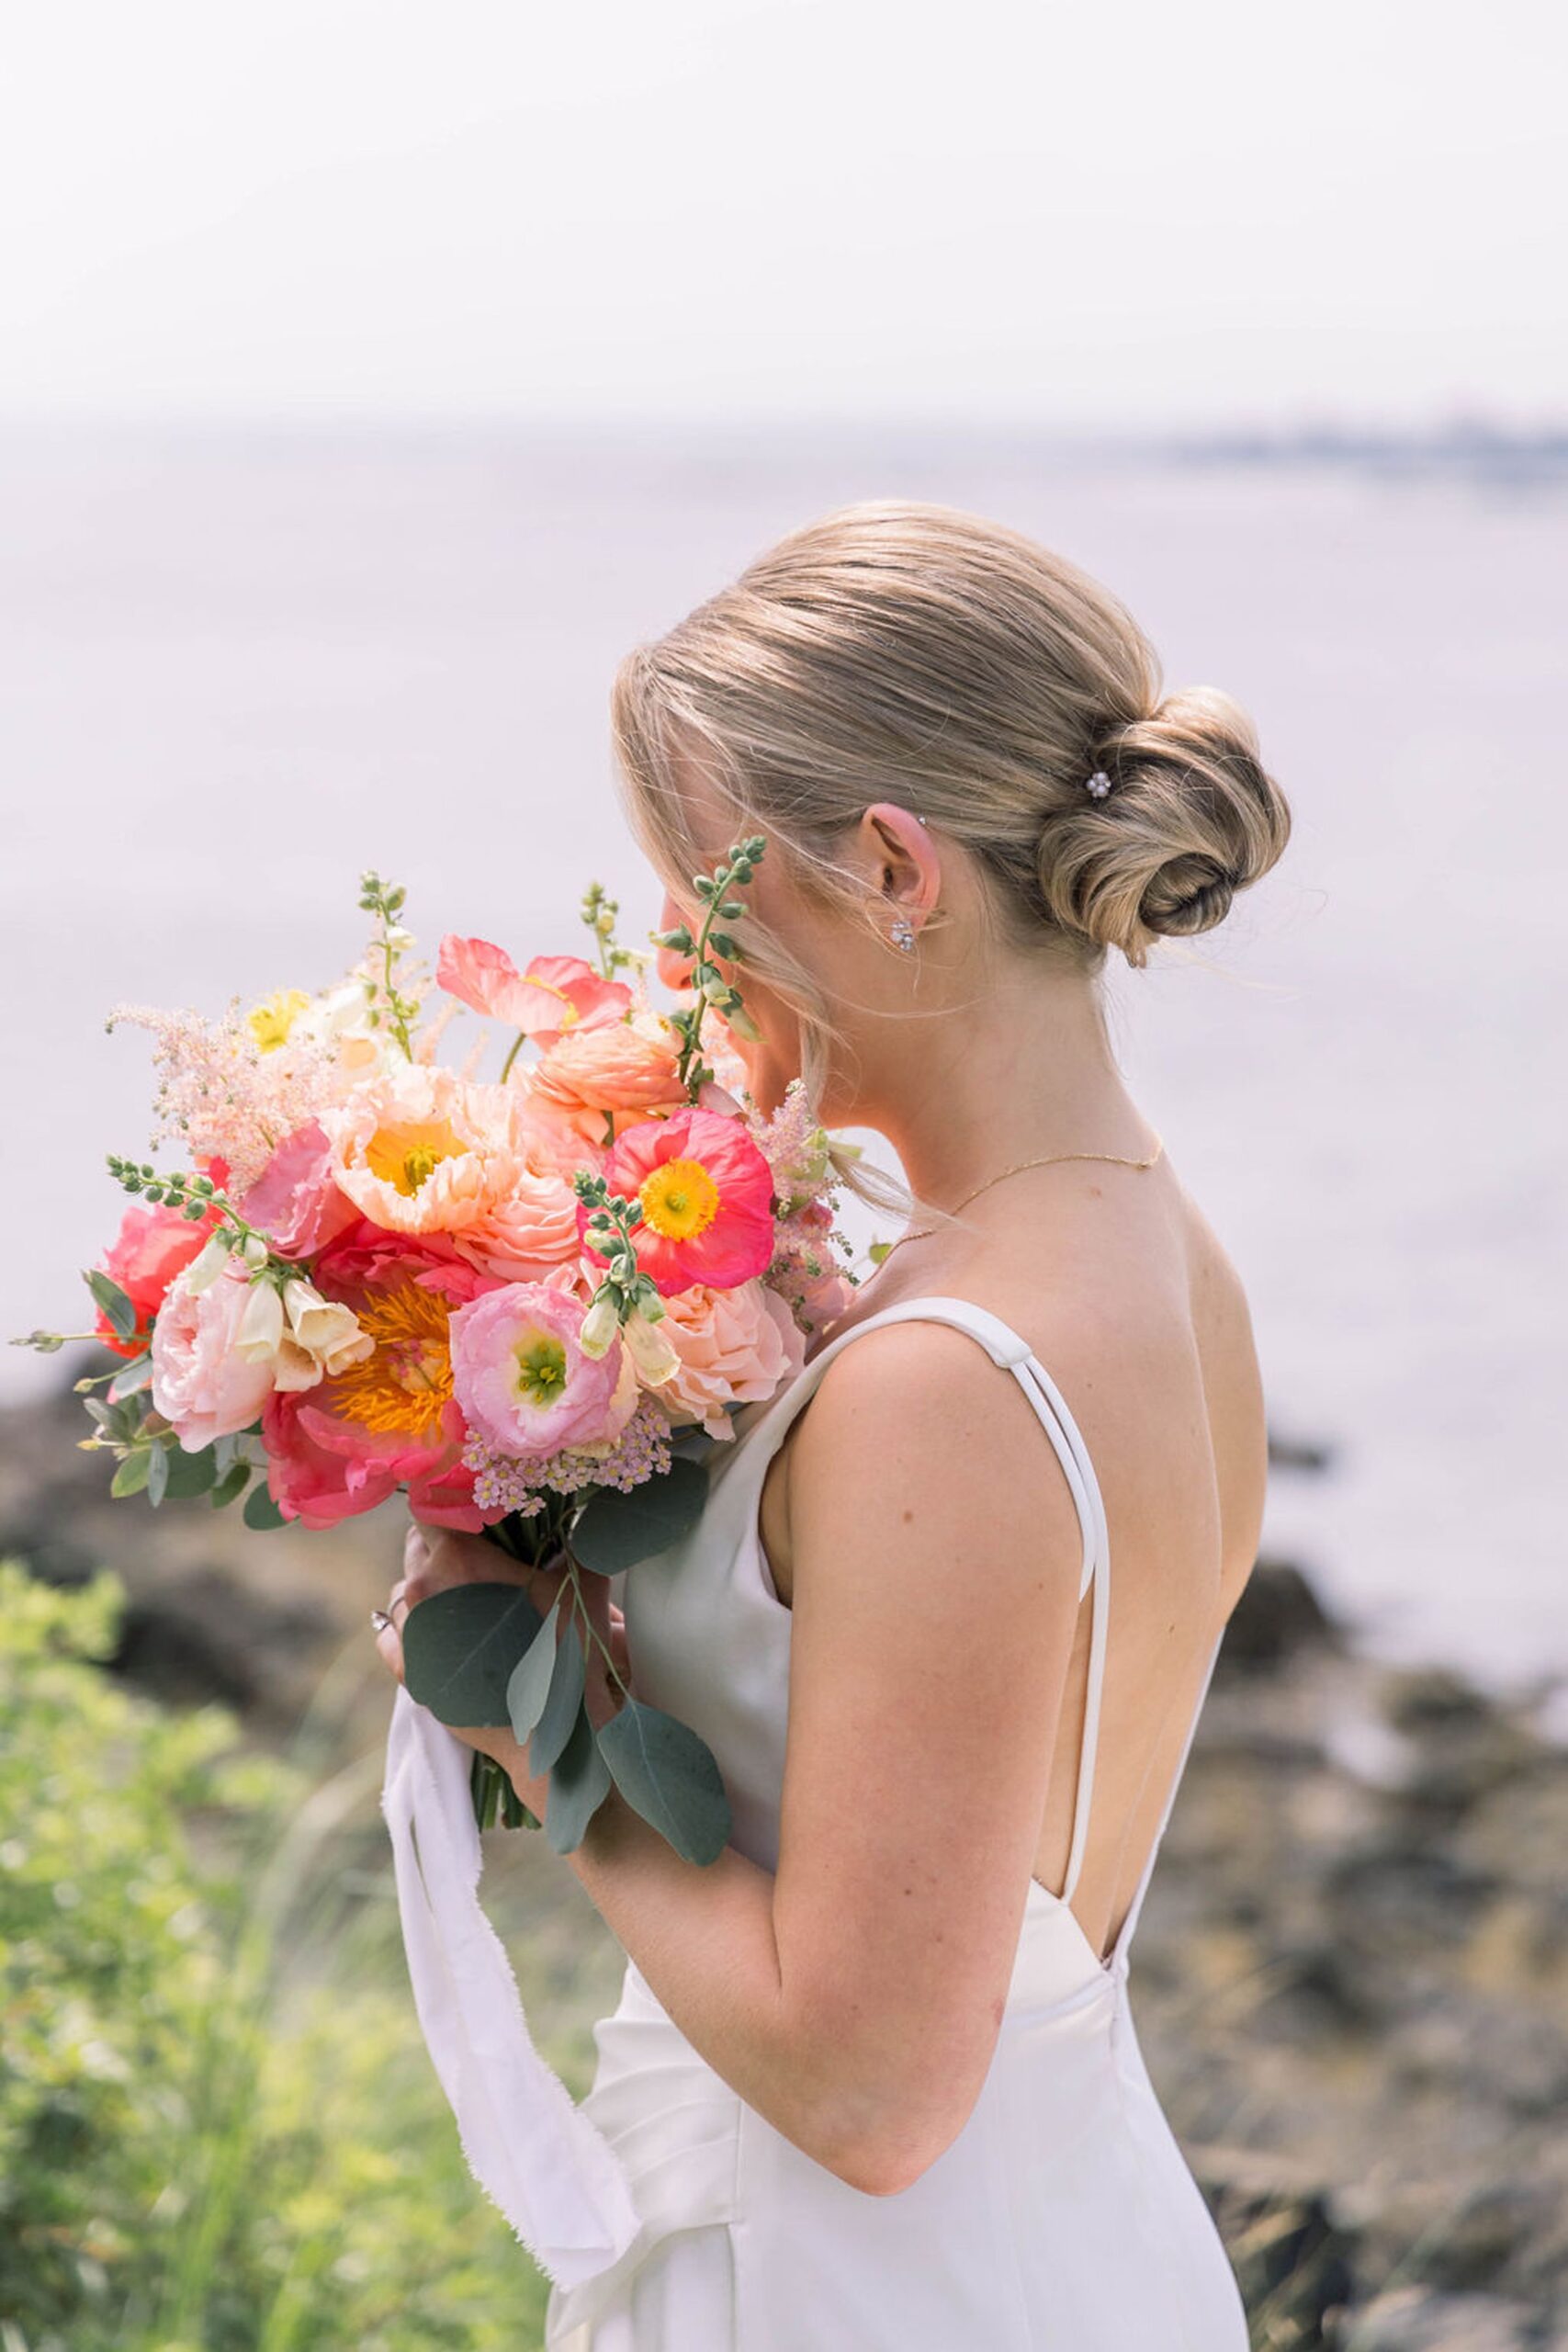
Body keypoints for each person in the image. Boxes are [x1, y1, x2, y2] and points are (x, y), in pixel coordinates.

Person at [375, 498, 1292, 2349]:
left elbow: (873, 2094)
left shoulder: (944, 1380)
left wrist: (540, 1731)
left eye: (702, 871)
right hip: (1061, 2239)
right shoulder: (1169, 1259)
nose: (672, 935)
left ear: (890, 866)